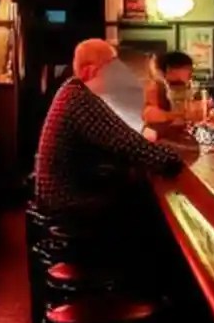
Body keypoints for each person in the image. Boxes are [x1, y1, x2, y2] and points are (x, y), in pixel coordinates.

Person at [34, 39, 183, 215]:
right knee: (148, 204)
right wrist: (175, 157)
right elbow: (136, 148)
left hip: (65, 196)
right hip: (69, 202)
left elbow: (123, 136)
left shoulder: (74, 92)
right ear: (90, 70)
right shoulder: (80, 101)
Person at [143, 51, 196, 130]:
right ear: (170, 69)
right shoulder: (157, 86)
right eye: (186, 68)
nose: (190, 72)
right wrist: (179, 115)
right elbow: (148, 115)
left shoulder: (189, 86)